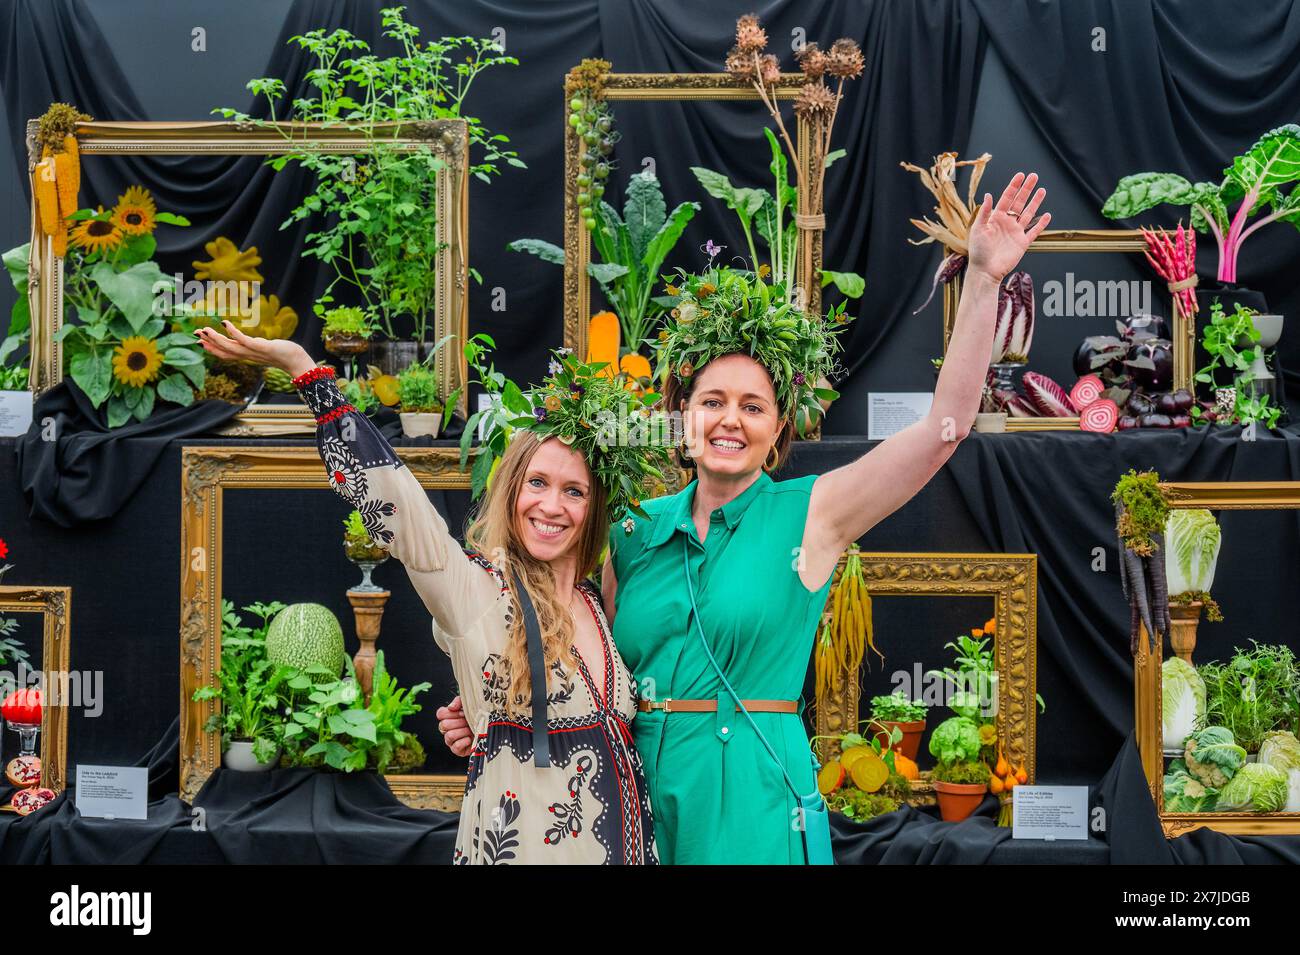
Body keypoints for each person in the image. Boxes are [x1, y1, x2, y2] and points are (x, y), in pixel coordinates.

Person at [439, 172, 1050, 864]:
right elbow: (586, 662)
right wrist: (500, 707)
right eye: (712, 401)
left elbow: (944, 428)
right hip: (636, 799)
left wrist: (982, 280)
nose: (730, 419)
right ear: (683, 415)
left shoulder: (813, 514)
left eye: (753, 406)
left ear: (780, 424)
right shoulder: (633, 531)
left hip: (755, 797)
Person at [194, 325, 666, 864]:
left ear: (593, 510)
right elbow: (402, 502)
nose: (551, 506)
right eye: (536, 483)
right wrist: (308, 371)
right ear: (511, 491)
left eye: (574, 491)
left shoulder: (595, 602)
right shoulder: (475, 590)